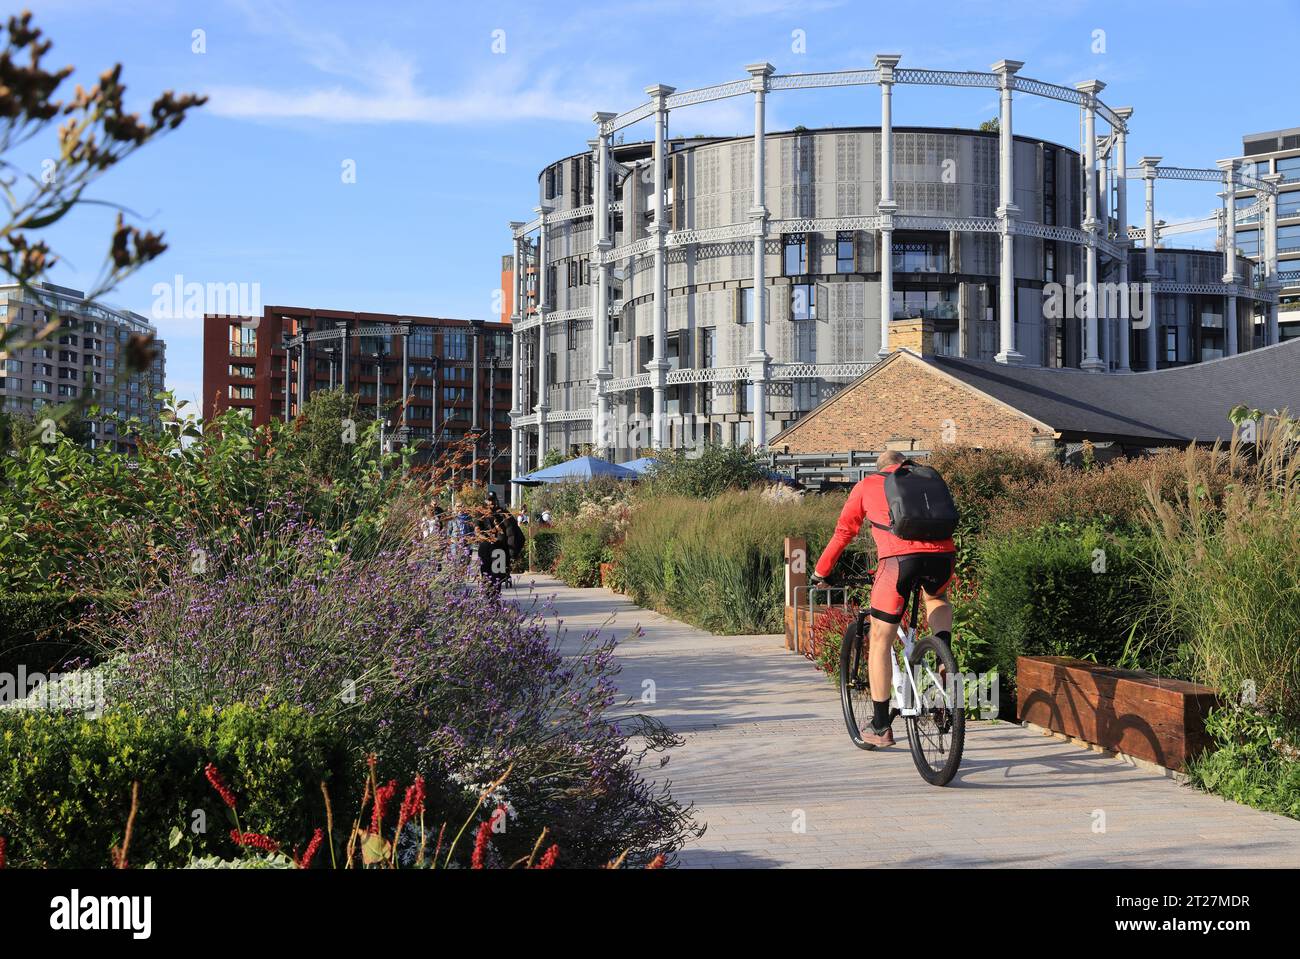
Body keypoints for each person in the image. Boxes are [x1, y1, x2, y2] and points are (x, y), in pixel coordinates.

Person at [811, 450, 956, 748]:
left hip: (898, 563)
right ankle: (944, 658)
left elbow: (843, 533)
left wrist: (821, 572)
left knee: (880, 637)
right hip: (943, 557)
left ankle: (879, 727)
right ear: (905, 464)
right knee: (937, 598)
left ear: (879, 468)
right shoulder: (927, 480)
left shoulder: (867, 486)